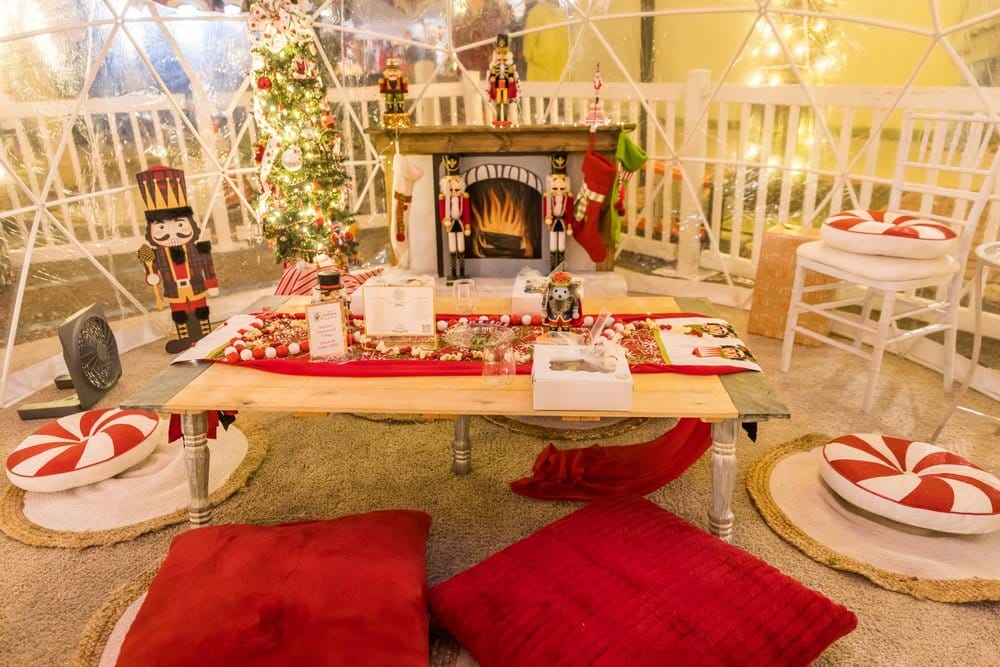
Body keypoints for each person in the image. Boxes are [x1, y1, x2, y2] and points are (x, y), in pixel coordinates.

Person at [135, 165, 219, 354]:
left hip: (196, 286)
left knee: (200, 311)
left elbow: (207, 264)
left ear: (190, 224)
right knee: (179, 314)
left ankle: (205, 336)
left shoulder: (199, 248)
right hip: (174, 291)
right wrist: (151, 276)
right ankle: (185, 338)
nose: (172, 233)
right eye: (162, 228)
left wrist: (212, 283)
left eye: (179, 224)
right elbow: (152, 272)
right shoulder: (155, 254)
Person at [438, 155, 471, 281]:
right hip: (451, 225)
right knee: (452, 248)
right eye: (451, 189)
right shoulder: (443, 199)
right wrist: (444, 220)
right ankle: (453, 272)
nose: (454, 192)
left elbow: (467, 213)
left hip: (461, 224)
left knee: (461, 248)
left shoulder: (464, 198)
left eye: (456, 189)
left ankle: (462, 272)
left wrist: (467, 226)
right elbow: (442, 213)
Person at [523, 0, 569, 82]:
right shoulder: (536, 13)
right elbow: (528, 50)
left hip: (559, 77)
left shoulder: (564, 13)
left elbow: (568, 43)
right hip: (541, 77)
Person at [544, 152, 573, 270]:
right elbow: (545, 209)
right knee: (552, 245)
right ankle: (552, 269)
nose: (559, 191)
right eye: (555, 188)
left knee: (561, 246)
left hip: (563, 223)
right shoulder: (548, 197)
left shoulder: (568, 197)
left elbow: (570, 212)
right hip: (553, 223)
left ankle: (560, 269)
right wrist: (546, 217)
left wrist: (570, 225)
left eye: (562, 188)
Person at [487, 33, 519, 127]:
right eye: (499, 53)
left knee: (505, 103)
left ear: (508, 55)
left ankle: (504, 119)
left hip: (505, 87)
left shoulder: (509, 67)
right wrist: (492, 78)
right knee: (498, 103)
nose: (501, 56)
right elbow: (492, 76)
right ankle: (498, 119)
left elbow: (511, 77)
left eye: (504, 54)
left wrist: (511, 78)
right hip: (497, 87)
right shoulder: (494, 67)